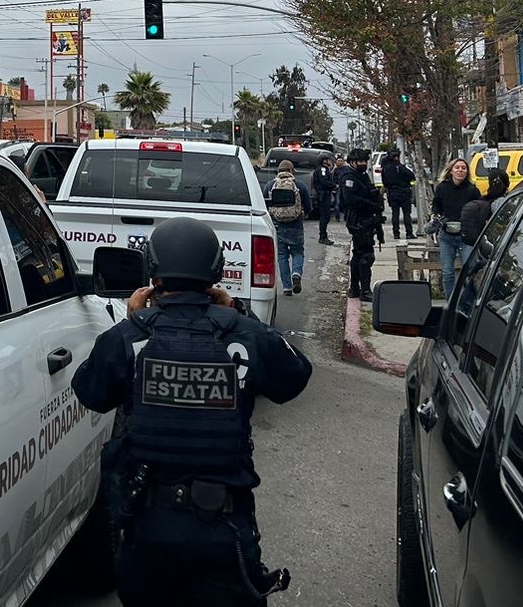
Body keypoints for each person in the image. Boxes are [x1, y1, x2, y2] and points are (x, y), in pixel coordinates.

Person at [72, 217, 312, 604]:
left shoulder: (130, 335)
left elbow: (91, 392)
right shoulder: (244, 333)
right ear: (215, 272)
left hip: (149, 527)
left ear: (153, 272)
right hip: (224, 526)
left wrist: (133, 324)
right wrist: (238, 313)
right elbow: (295, 377)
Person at [340, 148, 384, 301]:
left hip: (367, 220)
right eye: (360, 161)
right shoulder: (349, 177)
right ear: (352, 162)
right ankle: (363, 290)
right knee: (366, 256)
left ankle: (356, 289)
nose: (363, 164)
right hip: (358, 220)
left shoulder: (362, 176)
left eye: (365, 161)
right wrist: (371, 205)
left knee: (359, 254)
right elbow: (350, 200)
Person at [430, 158, 478, 300]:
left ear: (467, 172)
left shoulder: (472, 190)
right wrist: (435, 216)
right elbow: (436, 206)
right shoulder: (442, 188)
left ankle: (469, 300)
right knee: (447, 272)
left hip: (465, 236)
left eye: (463, 168)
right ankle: (450, 301)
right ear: (451, 170)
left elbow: (479, 208)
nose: (460, 170)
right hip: (446, 235)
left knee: (469, 270)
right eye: (457, 167)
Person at [268, 162, 306, 295]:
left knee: (282, 256)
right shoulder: (299, 185)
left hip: (278, 226)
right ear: (291, 171)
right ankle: (296, 273)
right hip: (296, 226)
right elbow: (308, 205)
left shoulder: (270, 185)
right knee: (298, 252)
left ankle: (287, 288)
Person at [380, 147, 418, 240]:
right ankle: (409, 233)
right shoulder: (400, 167)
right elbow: (411, 176)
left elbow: (384, 181)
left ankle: (396, 233)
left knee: (395, 214)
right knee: (406, 214)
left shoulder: (385, 168)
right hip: (404, 192)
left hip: (392, 193)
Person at [312, 156, 336, 244]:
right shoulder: (322, 170)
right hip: (323, 195)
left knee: (326, 216)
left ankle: (323, 235)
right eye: (328, 160)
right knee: (324, 216)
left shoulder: (325, 169)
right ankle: (323, 236)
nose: (329, 161)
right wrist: (333, 185)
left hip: (324, 194)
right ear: (324, 161)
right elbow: (324, 181)